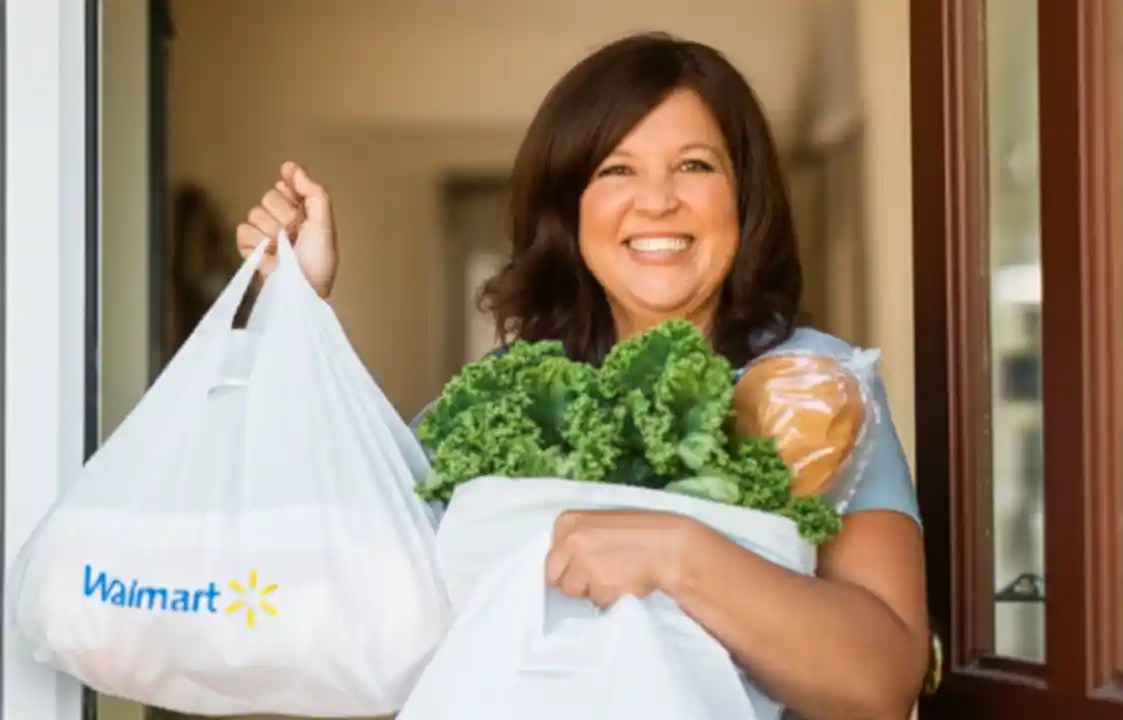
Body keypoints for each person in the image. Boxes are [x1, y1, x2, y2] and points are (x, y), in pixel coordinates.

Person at [235, 32, 928, 720]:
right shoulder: (512, 391)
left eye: (694, 166)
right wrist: (298, 311)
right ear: (569, 207)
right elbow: (347, 575)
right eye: (616, 170)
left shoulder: (810, 387)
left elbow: (880, 686)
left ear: (744, 199)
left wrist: (678, 551)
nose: (657, 201)